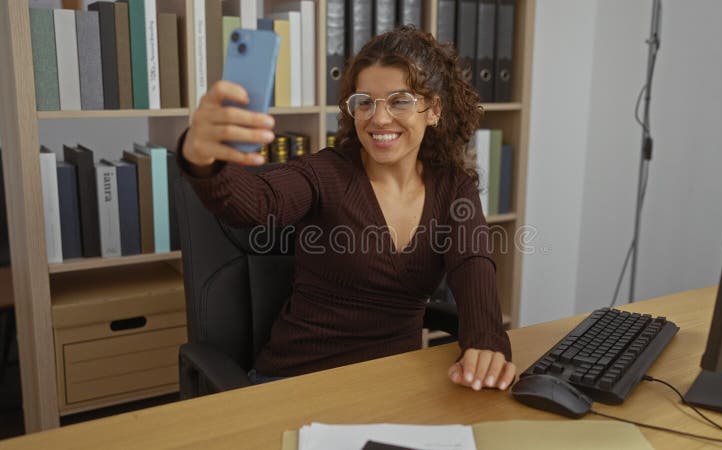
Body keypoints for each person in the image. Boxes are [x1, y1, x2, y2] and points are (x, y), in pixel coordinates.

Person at [178, 26, 515, 391]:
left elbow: (473, 264)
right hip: (294, 384)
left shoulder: (453, 189)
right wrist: (200, 156)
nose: (379, 118)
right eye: (365, 102)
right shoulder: (326, 173)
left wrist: (485, 343)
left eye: (400, 100)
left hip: (390, 388)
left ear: (433, 109)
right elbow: (258, 204)